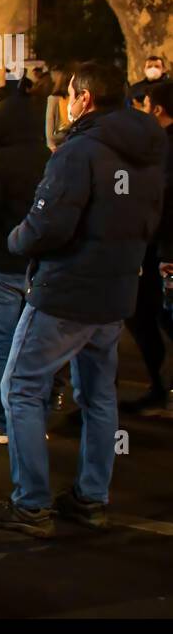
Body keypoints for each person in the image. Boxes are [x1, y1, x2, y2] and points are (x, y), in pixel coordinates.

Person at [0, 62, 165, 538]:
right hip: (115, 291)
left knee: (19, 387)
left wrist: (17, 239)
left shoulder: (79, 152)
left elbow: (48, 226)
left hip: (66, 293)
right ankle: (90, 496)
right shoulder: (147, 149)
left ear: (83, 98)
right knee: (100, 395)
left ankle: (32, 503)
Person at [0, 89, 52, 444]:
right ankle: (33, 414)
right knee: (34, 351)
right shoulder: (48, 157)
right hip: (38, 265)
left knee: (0, 346)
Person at [121, 80, 173, 415]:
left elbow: (163, 200)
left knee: (149, 314)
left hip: (161, 250)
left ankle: (160, 387)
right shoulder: (160, 144)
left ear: (157, 108)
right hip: (158, 247)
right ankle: (159, 387)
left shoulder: (165, 147)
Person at [44, 69, 72, 151]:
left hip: (70, 137)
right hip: (60, 138)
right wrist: (51, 144)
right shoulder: (54, 98)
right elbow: (50, 120)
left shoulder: (75, 98)